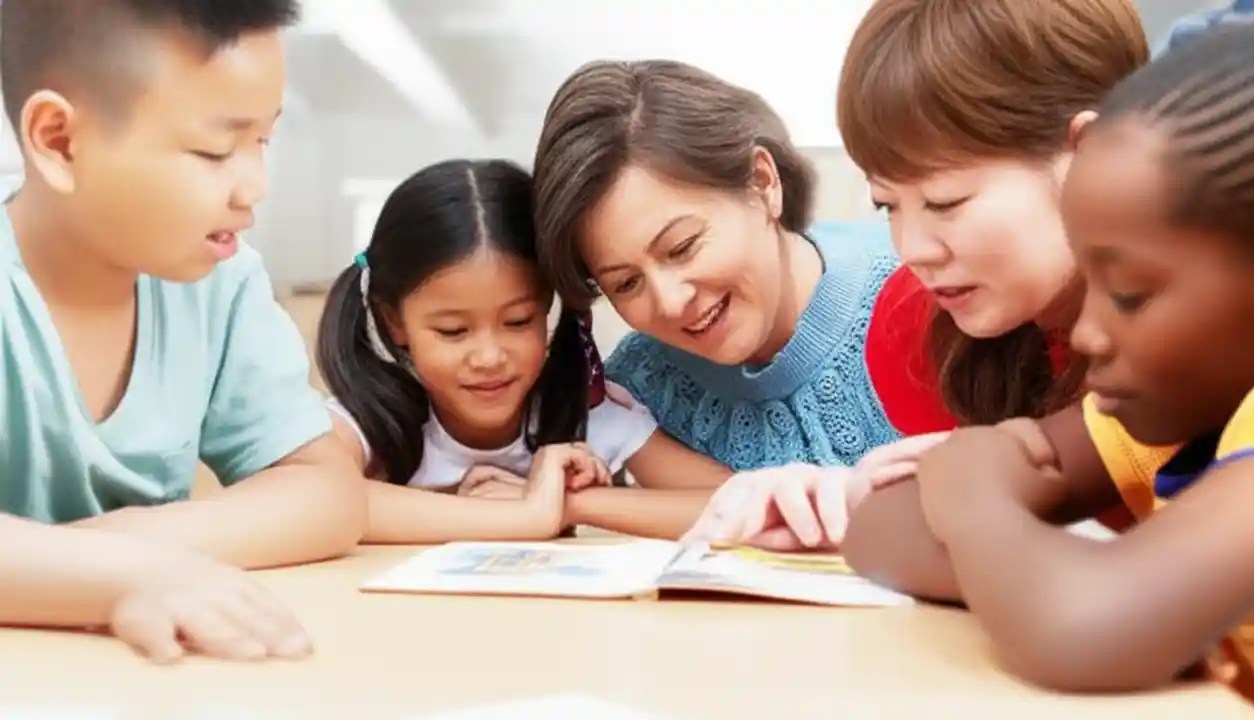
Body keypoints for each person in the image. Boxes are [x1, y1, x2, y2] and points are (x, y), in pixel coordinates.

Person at [872, 22, 1254, 712]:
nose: (1087, 333)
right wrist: (1020, 553)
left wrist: (973, 492)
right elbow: (883, 531)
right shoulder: (1167, 408)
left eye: (1128, 294)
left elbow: (1085, 625)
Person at [682, 0, 1150, 551]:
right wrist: (836, 499)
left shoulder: (1204, 346)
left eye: (945, 201)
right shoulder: (931, 330)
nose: (913, 250)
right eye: (888, 205)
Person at [0, 0, 365, 662]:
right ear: (59, 141)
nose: (253, 187)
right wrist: (121, 577)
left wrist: (132, 541)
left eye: (263, 142)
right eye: (215, 149)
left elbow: (327, 491)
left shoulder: (220, 283)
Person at [532, 59, 956, 483]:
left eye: (682, 247)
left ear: (761, 183)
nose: (671, 301)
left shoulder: (938, 302)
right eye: (626, 283)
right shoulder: (640, 390)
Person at [318, 160, 731, 543]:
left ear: (548, 307)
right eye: (453, 331)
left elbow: (739, 504)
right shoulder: (367, 421)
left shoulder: (584, 415)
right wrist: (526, 518)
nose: (489, 357)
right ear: (395, 322)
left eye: (518, 322)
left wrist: (569, 502)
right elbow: (312, 499)